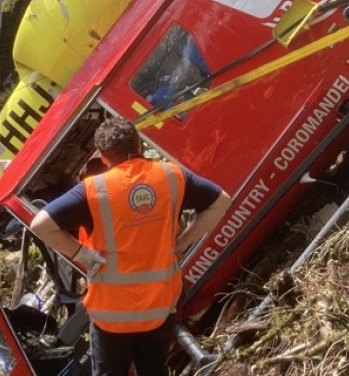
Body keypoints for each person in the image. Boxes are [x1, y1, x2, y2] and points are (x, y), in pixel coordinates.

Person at [30, 117, 232, 376]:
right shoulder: (171, 175)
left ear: (103, 158)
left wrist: (83, 255)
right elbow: (221, 202)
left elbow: (41, 225)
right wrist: (182, 243)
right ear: (139, 144)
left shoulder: (93, 190)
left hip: (111, 318)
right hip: (158, 308)